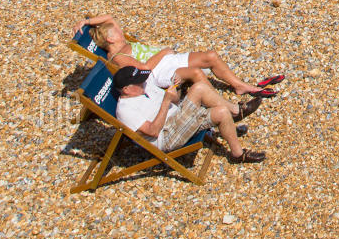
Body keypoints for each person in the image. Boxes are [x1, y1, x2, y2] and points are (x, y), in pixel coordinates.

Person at [81, 15, 282, 98]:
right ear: (108, 37)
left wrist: (85, 21)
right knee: (195, 72)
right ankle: (219, 107)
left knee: (210, 56)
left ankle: (239, 86)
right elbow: (145, 69)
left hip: (166, 60)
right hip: (158, 71)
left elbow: (109, 17)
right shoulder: (118, 56)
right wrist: (163, 52)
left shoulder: (122, 41)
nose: (118, 29)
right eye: (113, 31)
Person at [112, 65, 264, 165]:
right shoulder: (126, 110)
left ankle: (237, 152)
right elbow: (153, 131)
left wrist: (175, 87)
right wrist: (166, 100)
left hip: (178, 117)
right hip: (167, 135)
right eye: (138, 82)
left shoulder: (144, 86)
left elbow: (176, 100)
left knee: (211, 101)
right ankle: (236, 112)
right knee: (208, 99)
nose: (143, 83)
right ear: (126, 89)